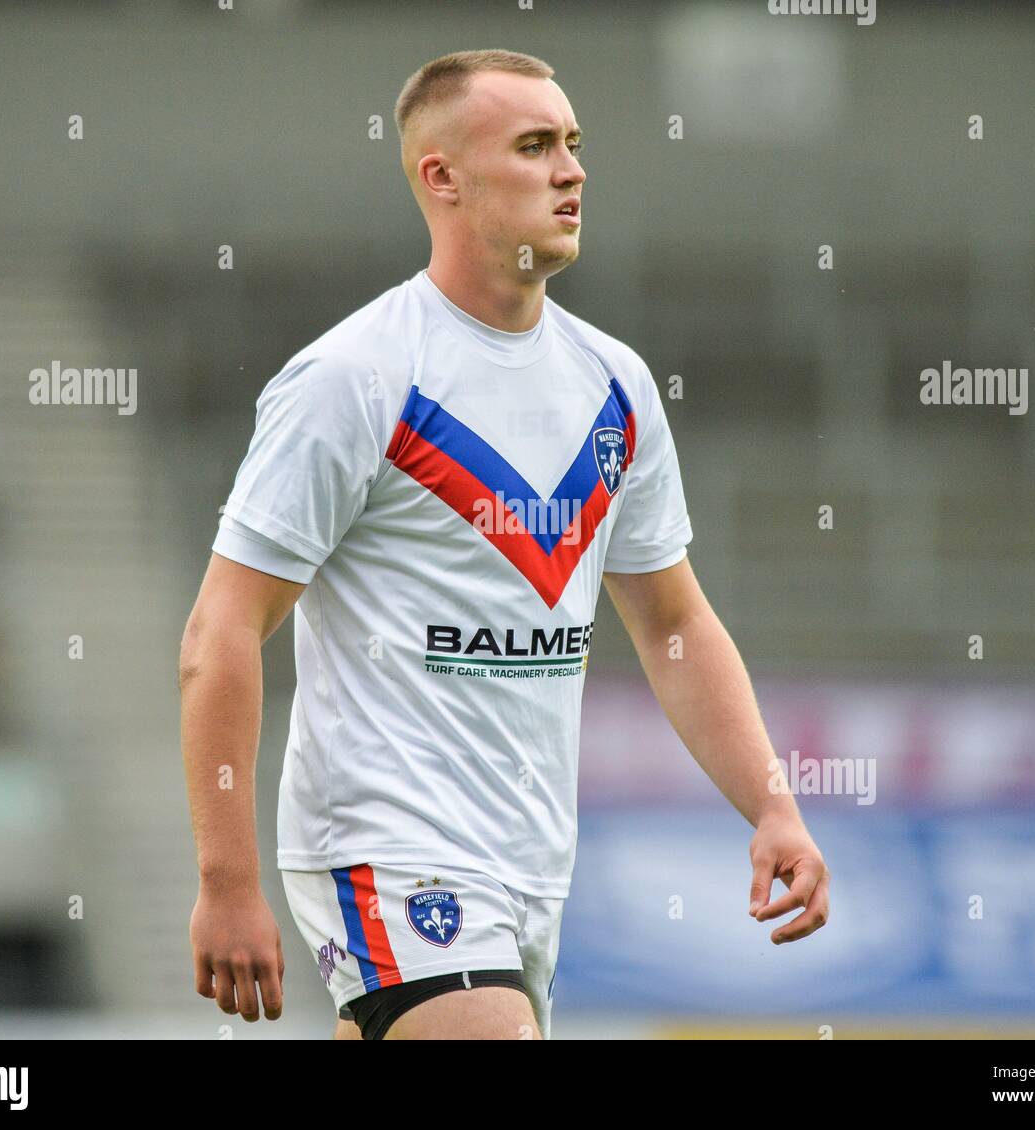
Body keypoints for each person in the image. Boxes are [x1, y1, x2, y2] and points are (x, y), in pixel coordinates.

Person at [179, 48, 829, 1041]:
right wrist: (226, 877)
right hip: (384, 840)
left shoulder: (614, 385)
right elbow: (221, 629)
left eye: (573, 145)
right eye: (534, 147)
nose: (571, 171)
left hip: (531, 862)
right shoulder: (355, 377)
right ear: (441, 176)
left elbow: (673, 622)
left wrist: (772, 805)